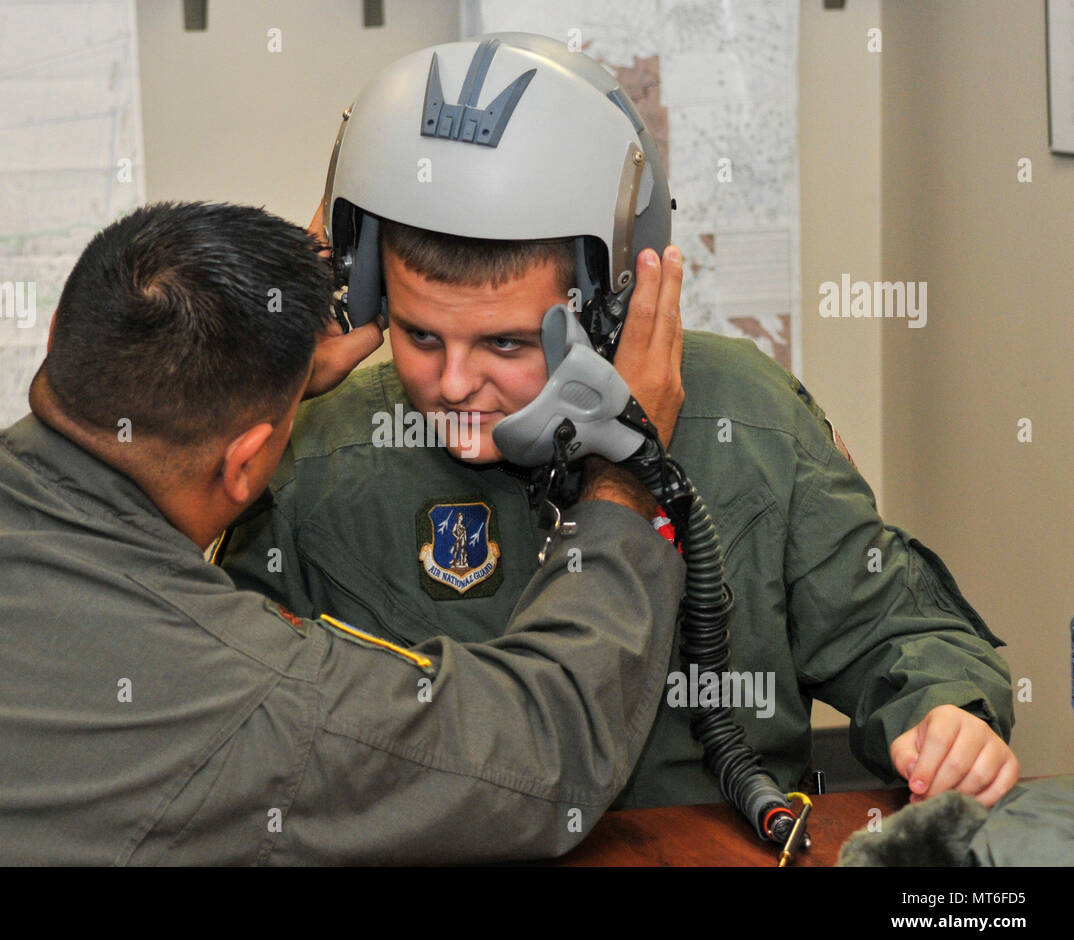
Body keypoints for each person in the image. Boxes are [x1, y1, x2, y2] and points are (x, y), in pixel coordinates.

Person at [220, 34, 1019, 813]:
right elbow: (209, 702)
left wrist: (948, 715)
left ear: (609, 311)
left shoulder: (750, 415)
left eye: (507, 342)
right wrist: (259, 390)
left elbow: (894, 628)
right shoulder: (316, 448)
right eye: (422, 335)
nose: (456, 384)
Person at [0, 200, 687, 865]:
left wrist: (274, 377)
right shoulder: (252, 699)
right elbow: (548, 750)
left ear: (55, 333)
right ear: (248, 463)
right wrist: (620, 468)